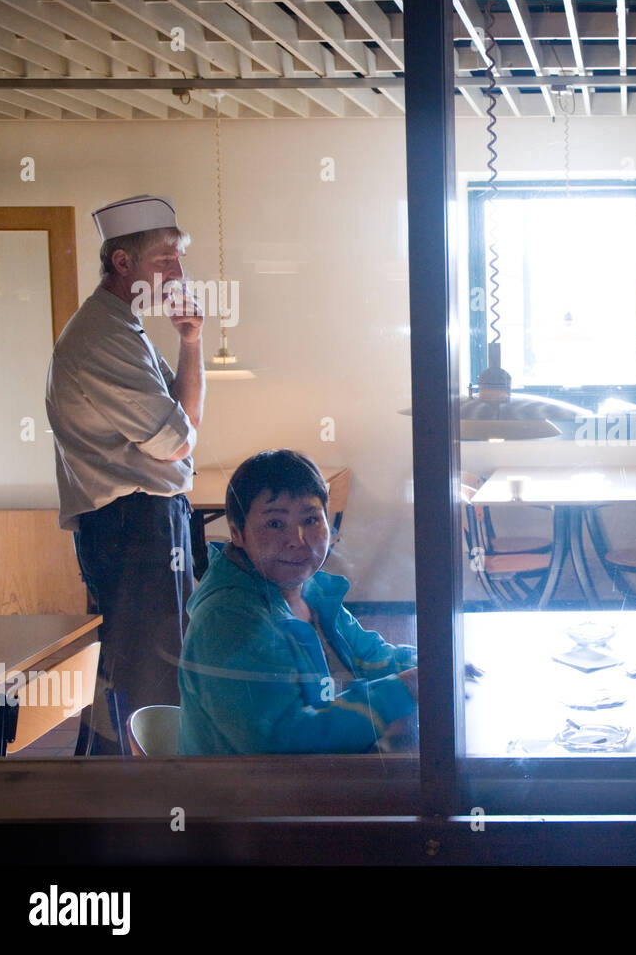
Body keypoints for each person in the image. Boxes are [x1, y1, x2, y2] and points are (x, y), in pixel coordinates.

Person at [46, 195, 205, 755]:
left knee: (138, 670)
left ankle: (121, 798)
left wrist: (191, 339)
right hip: (131, 523)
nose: (178, 275)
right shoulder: (102, 337)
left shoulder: (125, 328)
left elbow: (185, 426)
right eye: (165, 260)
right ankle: (151, 811)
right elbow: (177, 438)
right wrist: (180, 436)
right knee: (149, 677)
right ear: (122, 264)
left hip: (146, 519)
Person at [178, 450, 419, 754]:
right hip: (250, 796)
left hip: (310, 782)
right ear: (237, 533)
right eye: (275, 524)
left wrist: (430, 667)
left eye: (310, 519)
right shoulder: (229, 621)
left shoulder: (307, 590)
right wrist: (402, 690)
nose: (298, 539)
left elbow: (368, 655)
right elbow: (285, 745)